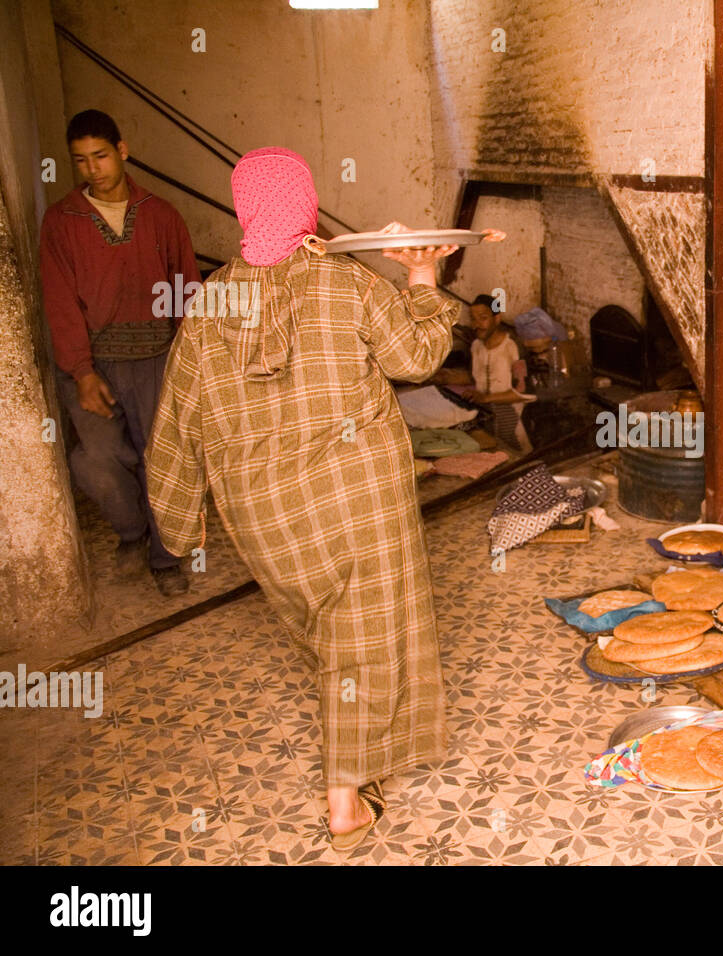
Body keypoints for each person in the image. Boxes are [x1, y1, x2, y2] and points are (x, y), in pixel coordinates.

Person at [144, 146, 506, 848]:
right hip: (356, 496)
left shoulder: (209, 304)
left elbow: (176, 423)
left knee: (333, 631)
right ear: (305, 204)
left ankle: (363, 756)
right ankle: (345, 799)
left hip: (265, 516)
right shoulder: (343, 282)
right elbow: (414, 359)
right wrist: (424, 277)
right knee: (358, 639)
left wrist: (179, 523)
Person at [39, 109, 198, 596]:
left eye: (101, 156)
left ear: (122, 151)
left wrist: (192, 356)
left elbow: (184, 287)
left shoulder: (160, 214)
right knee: (97, 459)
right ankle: (132, 532)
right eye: (81, 160)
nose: (93, 169)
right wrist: (83, 372)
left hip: (157, 357)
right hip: (93, 364)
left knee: (162, 457)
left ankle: (166, 557)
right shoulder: (62, 220)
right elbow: (59, 301)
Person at [468, 294, 532, 453]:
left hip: (514, 420)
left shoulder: (512, 347)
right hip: (487, 419)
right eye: (473, 319)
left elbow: (524, 392)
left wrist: (486, 398)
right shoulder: (476, 346)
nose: (476, 324)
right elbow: (474, 377)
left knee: (518, 459)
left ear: (497, 319)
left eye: (483, 318)